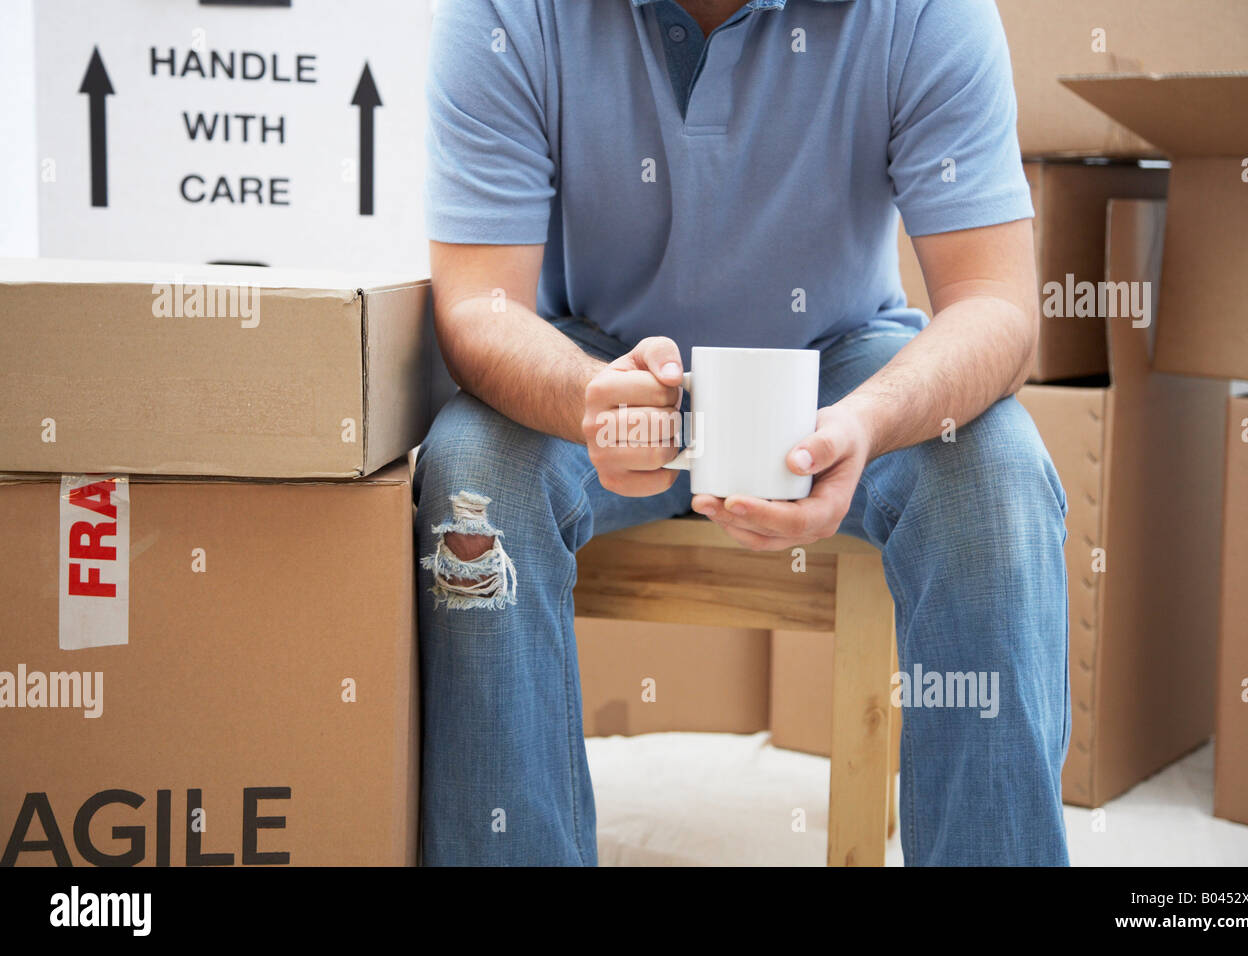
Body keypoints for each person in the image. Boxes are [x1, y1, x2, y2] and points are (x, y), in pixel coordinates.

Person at [414, 0, 1070, 866]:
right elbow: (475, 304)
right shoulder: (507, 11)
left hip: (836, 363)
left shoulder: (924, 11)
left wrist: (868, 421)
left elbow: (996, 303)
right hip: (600, 360)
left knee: (995, 476)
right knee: (473, 476)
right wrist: (593, 397)